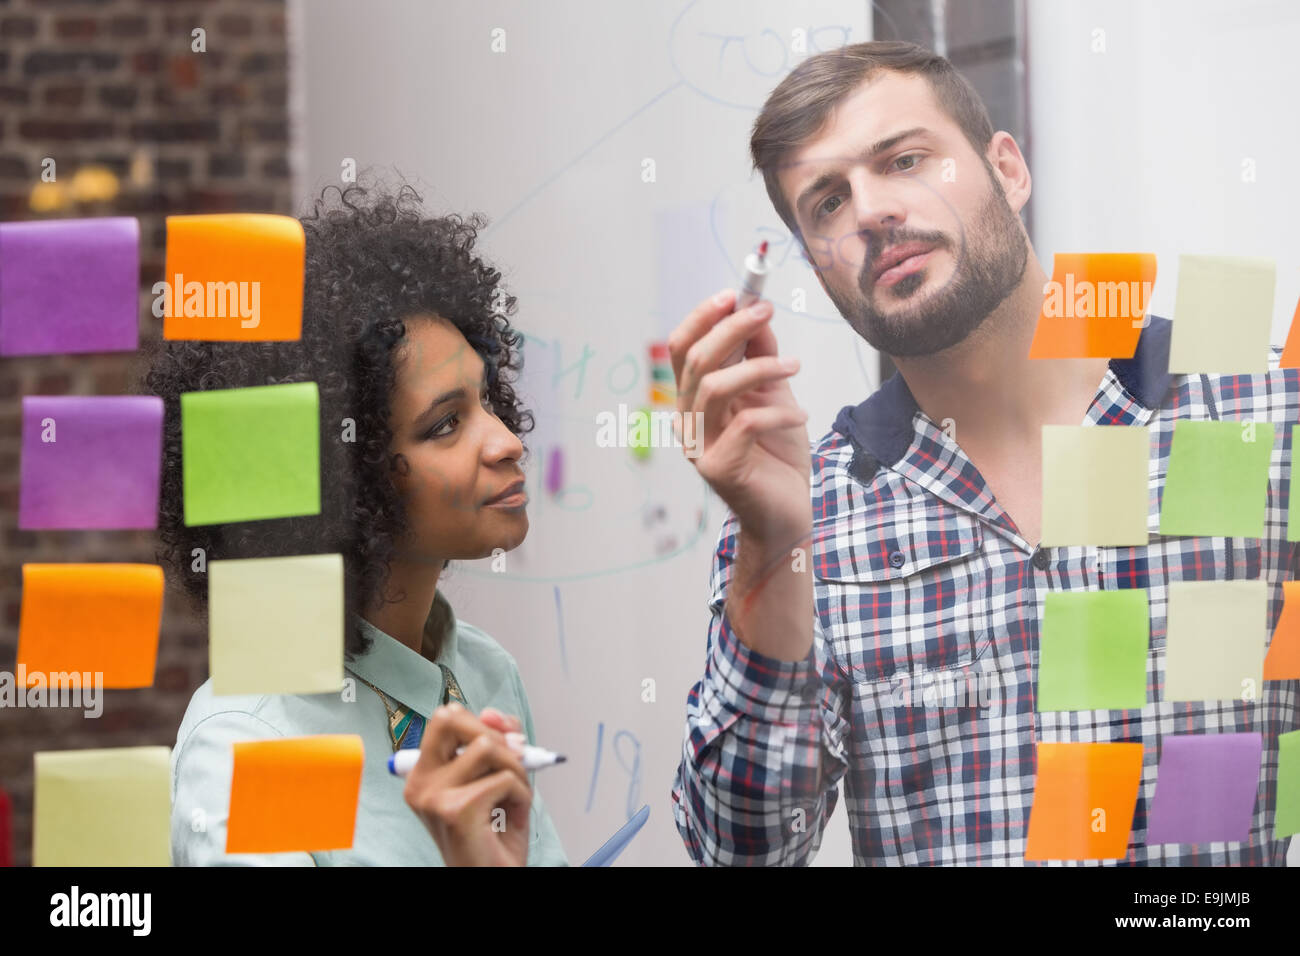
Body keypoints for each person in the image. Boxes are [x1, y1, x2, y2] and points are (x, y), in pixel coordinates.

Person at [669, 40, 1299, 865]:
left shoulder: (1258, 417)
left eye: (904, 160)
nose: (869, 212)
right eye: (826, 204)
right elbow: (739, 854)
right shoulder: (807, 514)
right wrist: (773, 546)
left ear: (1008, 169)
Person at [148, 182, 566, 866]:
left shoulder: (488, 675)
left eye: (486, 398)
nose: (506, 441)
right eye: (447, 424)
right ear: (345, 478)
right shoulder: (249, 741)